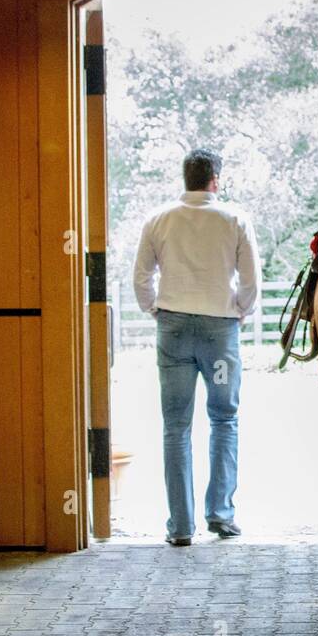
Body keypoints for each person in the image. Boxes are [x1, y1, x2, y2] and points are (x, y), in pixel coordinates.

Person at [132, 148, 262, 546]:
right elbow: (251, 280)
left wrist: (155, 309)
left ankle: (181, 527)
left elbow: (141, 277)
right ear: (215, 181)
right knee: (224, 419)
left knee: (176, 427)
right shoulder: (235, 219)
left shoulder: (158, 219)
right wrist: (238, 313)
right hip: (219, 332)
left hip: (174, 329)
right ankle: (220, 515)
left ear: (185, 178)